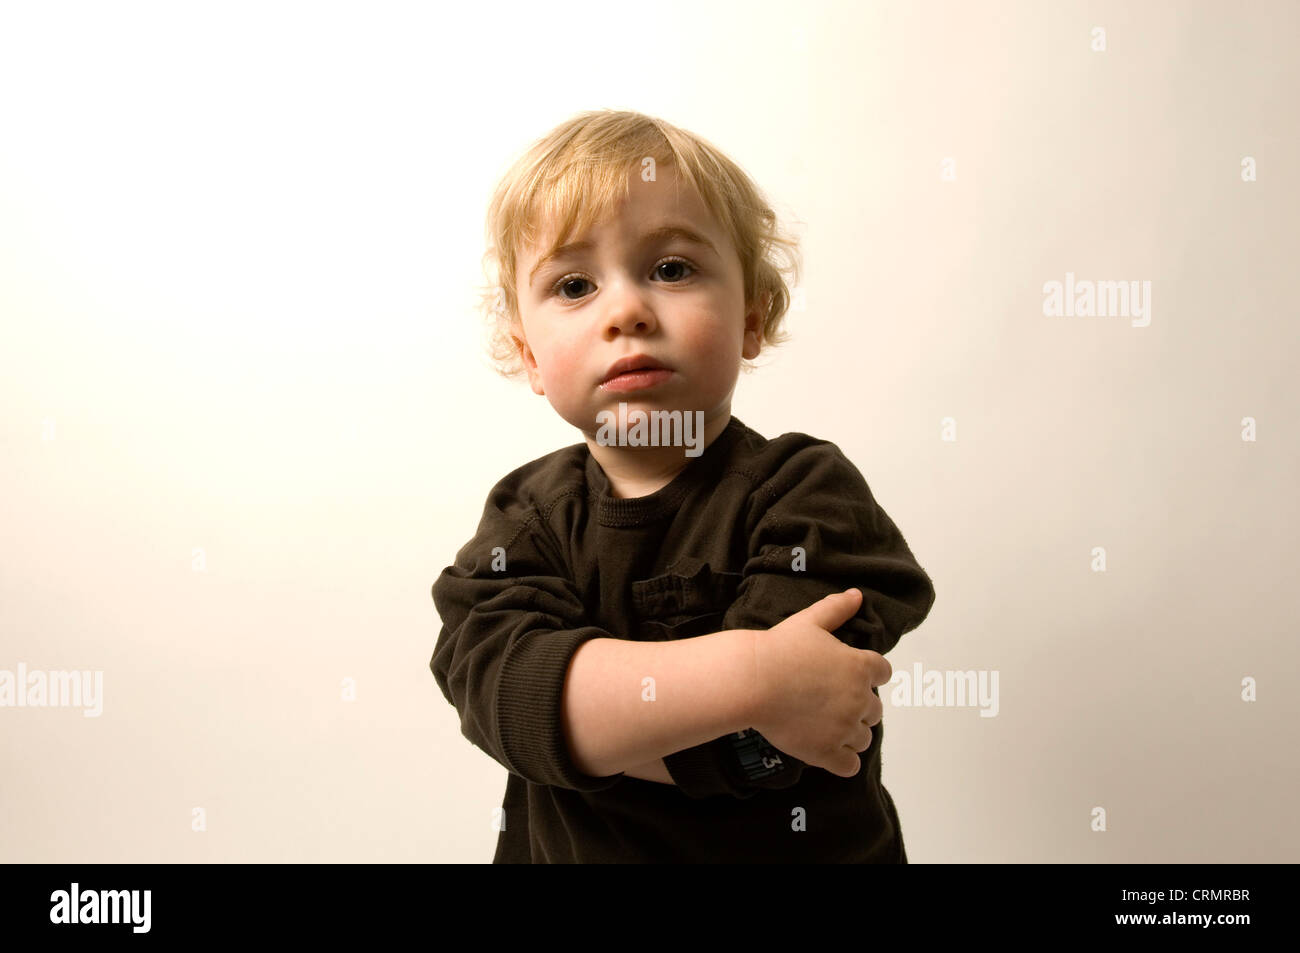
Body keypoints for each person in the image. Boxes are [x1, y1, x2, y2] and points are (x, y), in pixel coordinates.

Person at [431, 109, 936, 862]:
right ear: (528, 354)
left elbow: (778, 740)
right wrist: (751, 674)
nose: (627, 311)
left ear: (752, 317)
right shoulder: (523, 520)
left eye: (671, 269)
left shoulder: (808, 496)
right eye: (574, 284)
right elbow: (505, 699)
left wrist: (582, 719)